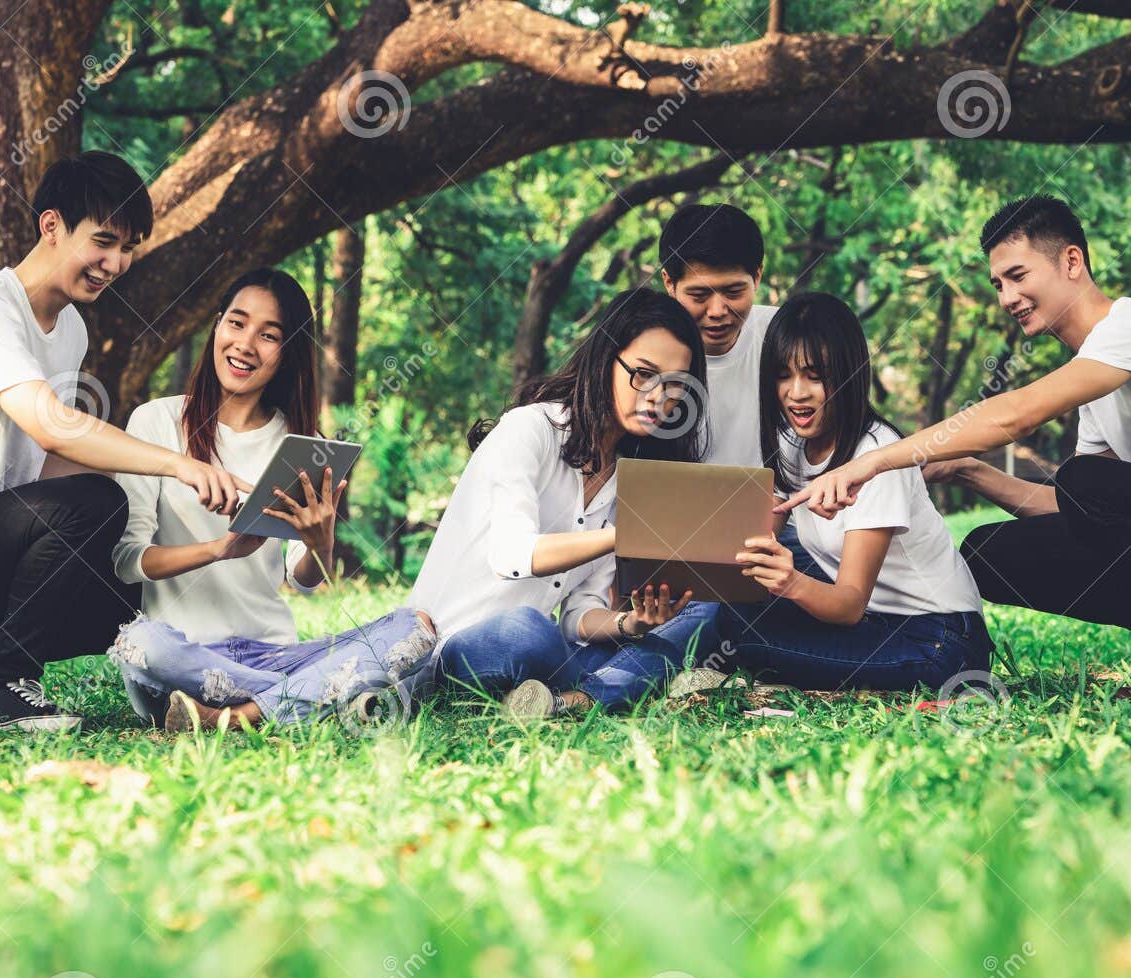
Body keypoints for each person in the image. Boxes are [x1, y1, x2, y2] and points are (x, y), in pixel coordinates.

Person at [788, 196, 1131, 693]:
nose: (1007, 298)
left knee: (1083, 476)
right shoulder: (1096, 378)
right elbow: (1077, 511)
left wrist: (874, 460)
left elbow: (1019, 414)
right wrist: (971, 471)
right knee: (989, 553)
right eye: (997, 284)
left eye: (1018, 276)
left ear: (1072, 261)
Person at [0, 152, 250, 732]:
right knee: (99, 504)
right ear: (51, 226)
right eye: (104, 241)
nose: (115, 263)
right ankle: (1, 689)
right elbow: (51, 425)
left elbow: (46, 465)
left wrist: (169, 500)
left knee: (125, 593)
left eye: (128, 249)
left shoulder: (69, 329)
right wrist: (177, 464)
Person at [107, 269, 436, 730]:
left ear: (288, 353)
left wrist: (320, 543)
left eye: (269, 335)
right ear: (217, 326)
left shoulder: (306, 445)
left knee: (414, 628)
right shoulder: (156, 422)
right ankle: (316, 694)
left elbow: (304, 580)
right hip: (181, 653)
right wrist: (219, 550)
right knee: (140, 644)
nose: (245, 344)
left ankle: (239, 715)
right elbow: (127, 560)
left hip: (274, 653)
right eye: (236, 323)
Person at [409, 287, 720, 720]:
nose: (658, 397)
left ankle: (557, 704)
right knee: (530, 630)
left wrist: (631, 623)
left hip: (544, 656)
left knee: (665, 646)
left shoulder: (631, 476)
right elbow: (512, 555)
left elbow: (579, 612)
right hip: (457, 648)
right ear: (605, 360)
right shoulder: (529, 429)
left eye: (674, 386)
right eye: (644, 374)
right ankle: (596, 691)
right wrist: (620, 537)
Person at [699, 294, 991, 691]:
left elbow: (849, 604)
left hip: (938, 642)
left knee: (747, 639)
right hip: (875, 627)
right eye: (783, 375)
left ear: (848, 374)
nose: (796, 392)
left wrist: (790, 583)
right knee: (734, 618)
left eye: (814, 375)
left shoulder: (876, 455)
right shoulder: (791, 445)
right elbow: (757, 538)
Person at [658, 202, 779, 468]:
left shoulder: (785, 338)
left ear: (757, 277)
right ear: (669, 283)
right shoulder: (645, 350)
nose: (717, 311)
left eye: (734, 292)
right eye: (699, 295)